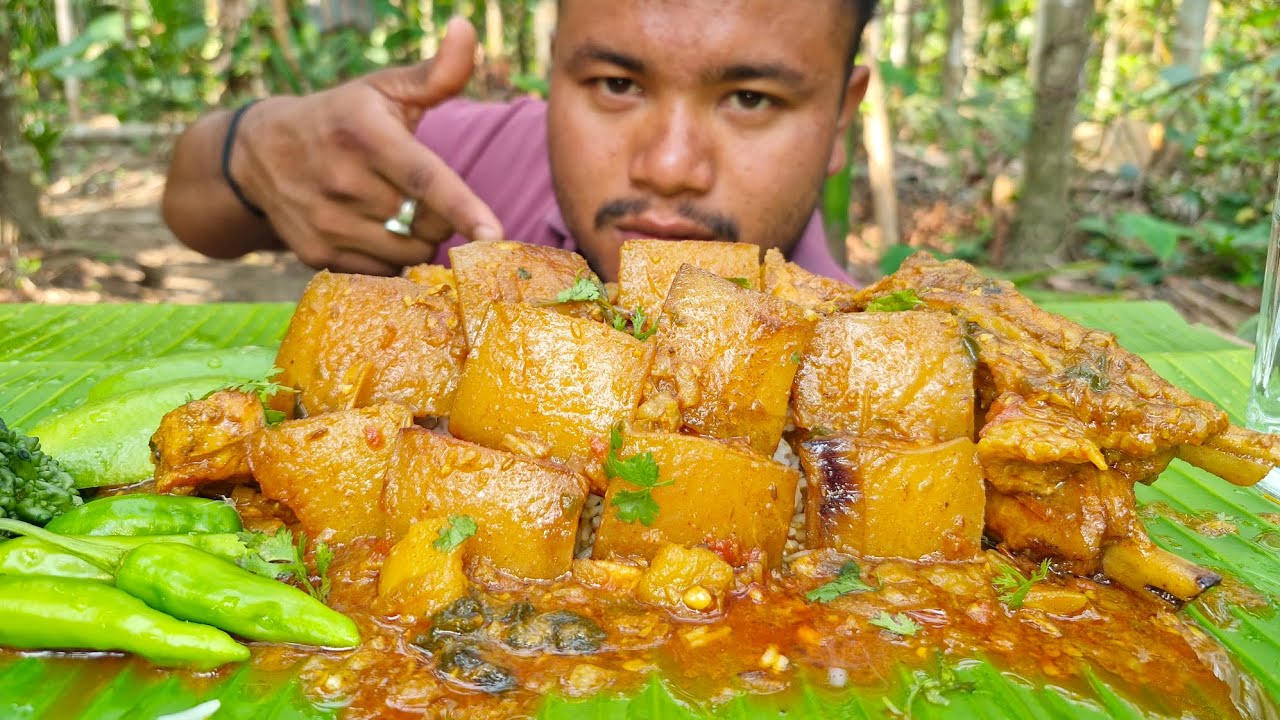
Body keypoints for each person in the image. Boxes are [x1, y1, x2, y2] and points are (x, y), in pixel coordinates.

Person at [162, 0, 875, 283]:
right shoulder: (455, 165)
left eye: (750, 99)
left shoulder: (881, 392)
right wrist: (252, 146)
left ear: (839, 119)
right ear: (556, 68)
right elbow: (190, 208)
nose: (667, 167)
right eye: (617, 85)